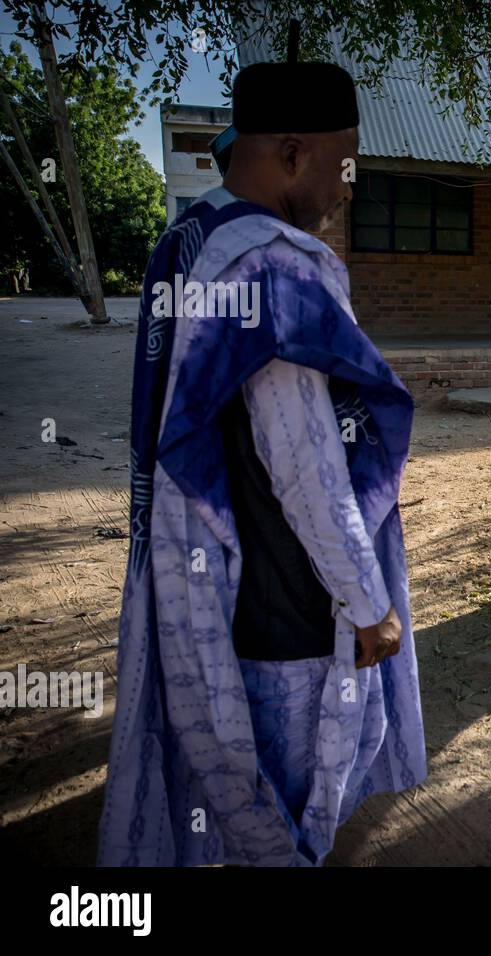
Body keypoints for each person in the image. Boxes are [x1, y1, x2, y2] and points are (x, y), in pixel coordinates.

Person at [97, 56, 426, 866]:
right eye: (344, 162)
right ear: (289, 154)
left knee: (217, 799)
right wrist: (367, 600)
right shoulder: (274, 266)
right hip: (284, 610)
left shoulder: (189, 240)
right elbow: (305, 465)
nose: (350, 187)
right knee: (278, 816)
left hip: (209, 584)